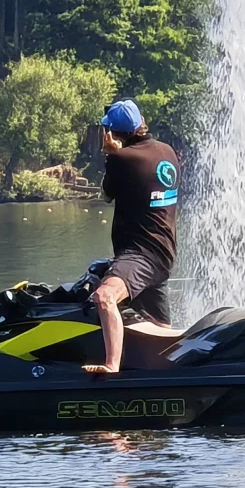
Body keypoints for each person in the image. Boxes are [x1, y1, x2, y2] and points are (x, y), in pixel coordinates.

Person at [84, 98, 179, 375]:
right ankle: (166, 368)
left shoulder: (121, 159)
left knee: (104, 297)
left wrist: (110, 156)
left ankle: (111, 365)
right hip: (162, 252)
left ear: (112, 133)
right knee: (159, 328)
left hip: (139, 255)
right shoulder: (167, 151)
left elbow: (105, 196)